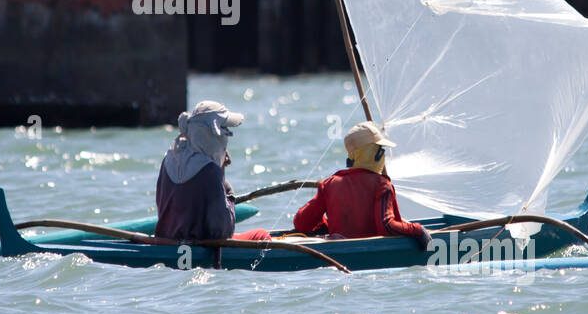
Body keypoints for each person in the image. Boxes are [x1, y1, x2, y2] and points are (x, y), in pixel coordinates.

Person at [294, 121, 432, 246]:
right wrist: (418, 229)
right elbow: (387, 226)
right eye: (381, 151)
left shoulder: (329, 184)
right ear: (375, 154)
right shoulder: (382, 185)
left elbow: (301, 223)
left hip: (338, 255)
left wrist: (327, 225)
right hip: (371, 256)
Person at [156, 100, 271, 242]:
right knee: (261, 235)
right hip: (200, 247)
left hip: (166, 242)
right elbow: (222, 231)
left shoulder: (168, 159)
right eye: (224, 130)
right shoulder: (210, 172)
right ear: (213, 133)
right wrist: (227, 190)